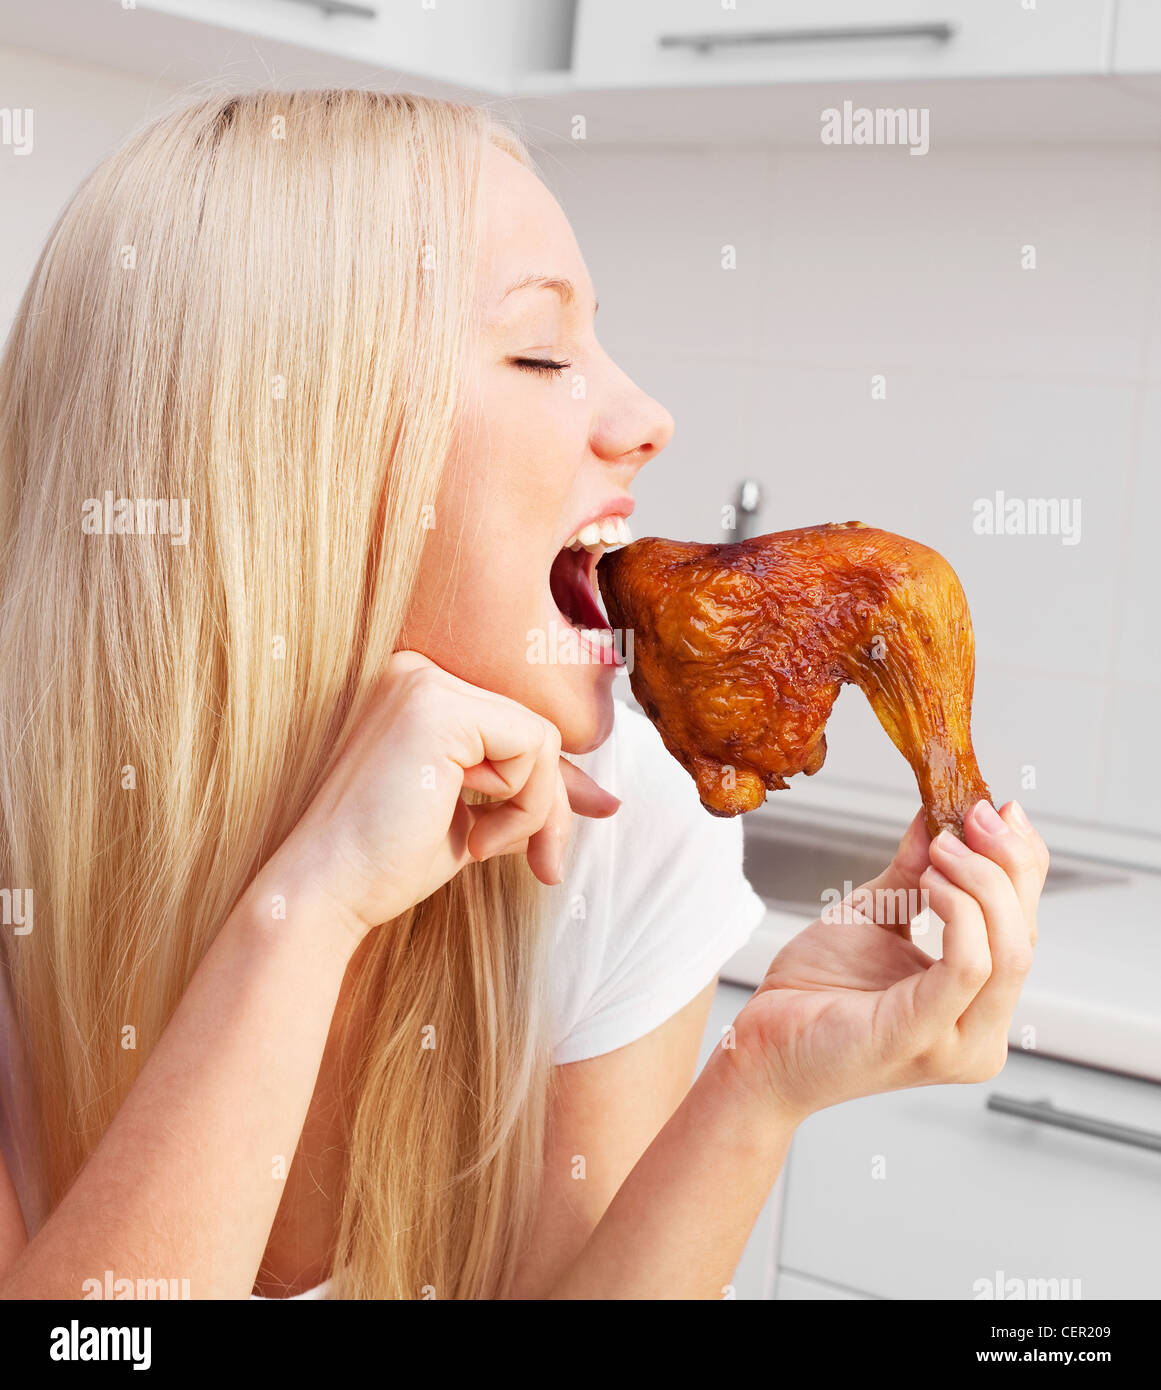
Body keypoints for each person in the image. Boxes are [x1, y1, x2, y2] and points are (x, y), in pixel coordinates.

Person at [0, 89, 1047, 1300]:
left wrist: (762, 1082)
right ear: (288, 445)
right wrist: (312, 906)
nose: (647, 420)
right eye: (543, 352)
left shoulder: (622, 835)